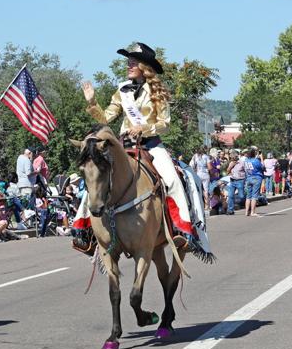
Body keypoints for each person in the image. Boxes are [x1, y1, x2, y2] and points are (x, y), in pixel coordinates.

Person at [72, 42, 210, 255]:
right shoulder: (122, 90)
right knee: (95, 178)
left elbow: (165, 123)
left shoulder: (158, 91)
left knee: (173, 181)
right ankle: (85, 232)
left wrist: (144, 128)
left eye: (133, 62)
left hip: (151, 145)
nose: (128, 65)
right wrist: (92, 103)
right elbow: (106, 118)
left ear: (145, 66)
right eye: (128, 61)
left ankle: (180, 230)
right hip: (123, 146)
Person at [244, 147, 264, 217]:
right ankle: (252, 212)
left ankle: (246, 211)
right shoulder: (256, 161)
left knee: (248, 196)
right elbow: (262, 167)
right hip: (256, 177)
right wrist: (261, 158)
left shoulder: (246, 160)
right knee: (254, 196)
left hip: (249, 178)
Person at [226, 151, 246, 215]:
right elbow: (227, 171)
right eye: (231, 158)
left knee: (241, 196)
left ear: (236, 157)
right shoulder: (231, 163)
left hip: (240, 180)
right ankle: (230, 210)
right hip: (232, 180)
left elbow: (247, 171)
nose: (232, 159)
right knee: (230, 195)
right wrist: (230, 166)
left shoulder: (242, 163)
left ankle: (249, 201)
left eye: (232, 158)